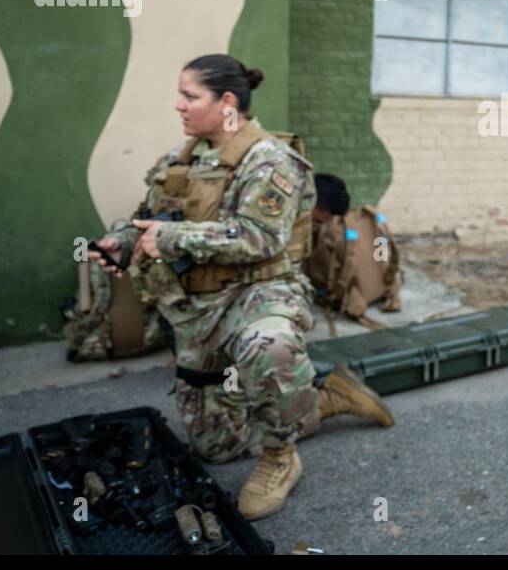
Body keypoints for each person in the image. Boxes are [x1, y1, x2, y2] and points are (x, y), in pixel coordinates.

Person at [89, 54, 393, 521]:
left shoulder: (271, 159)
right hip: (198, 308)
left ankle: (280, 457)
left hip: (261, 293)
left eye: (190, 96)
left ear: (226, 101)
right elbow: (151, 218)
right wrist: (124, 242)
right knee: (217, 448)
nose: (179, 106)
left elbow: (259, 236)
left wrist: (166, 239)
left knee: (268, 347)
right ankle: (324, 400)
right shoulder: (179, 160)